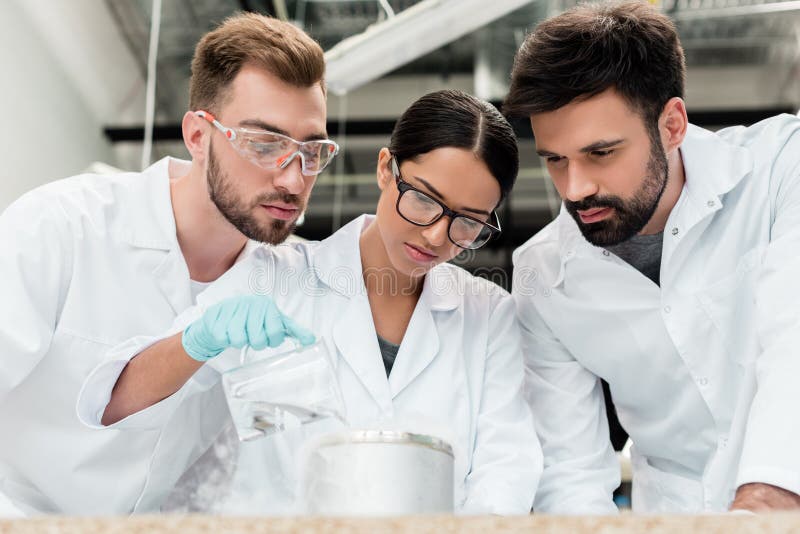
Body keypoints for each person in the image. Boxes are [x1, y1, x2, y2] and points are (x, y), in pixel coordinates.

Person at [76, 90, 542, 514]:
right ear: (385, 169)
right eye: (424, 200)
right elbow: (113, 403)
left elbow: (505, 470)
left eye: (468, 223)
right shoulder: (273, 276)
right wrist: (196, 342)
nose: (437, 235)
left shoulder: (489, 315)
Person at [0, 13, 337, 516]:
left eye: (311, 152)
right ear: (199, 136)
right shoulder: (60, 226)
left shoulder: (291, 282)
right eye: (265, 145)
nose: (294, 180)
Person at [504, 0, 800, 514]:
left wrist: (768, 498)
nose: (575, 190)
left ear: (671, 124)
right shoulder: (542, 275)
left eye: (601, 153)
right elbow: (568, 472)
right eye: (555, 160)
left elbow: (794, 338)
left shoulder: (780, 169)